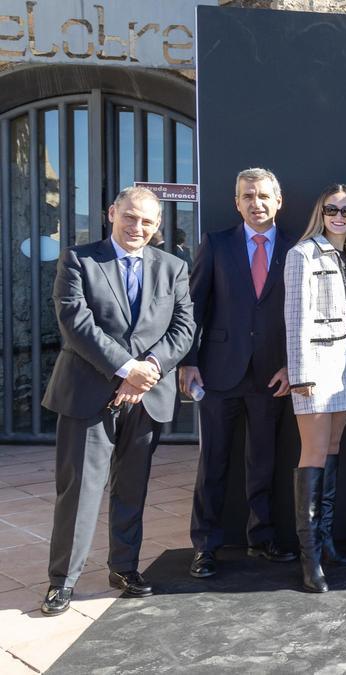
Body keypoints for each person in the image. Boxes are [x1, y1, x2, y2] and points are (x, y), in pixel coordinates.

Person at [40, 186, 195, 615]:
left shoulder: (173, 267)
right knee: (80, 491)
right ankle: (62, 581)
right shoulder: (79, 259)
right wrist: (127, 369)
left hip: (147, 397)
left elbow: (184, 328)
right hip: (89, 393)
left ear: (158, 225)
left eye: (147, 221)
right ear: (112, 213)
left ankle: (124, 567)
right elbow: (75, 321)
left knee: (132, 487)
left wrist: (148, 371)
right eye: (130, 217)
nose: (137, 227)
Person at [183, 168, 295, 579]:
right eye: (248, 196)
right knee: (213, 463)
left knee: (263, 461)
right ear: (236, 202)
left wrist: (291, 364)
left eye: (264, 195)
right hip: (218, 372)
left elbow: (300, 315)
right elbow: (194, 307)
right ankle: (205, 546)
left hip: (271, 374)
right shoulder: (216, 244)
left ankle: (261, 537)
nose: (256, 203)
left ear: (278, 201)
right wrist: (189, 360)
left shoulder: (295, 247)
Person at [284, 184, 346, 593]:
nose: (339, 216)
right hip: (315, 367)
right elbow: (294, 318)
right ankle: (310, 556)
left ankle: (328, 539)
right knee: (313, 454)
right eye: (332, 209)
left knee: (333, 450)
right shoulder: (302, 254)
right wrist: (300, 375)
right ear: (321, 212)